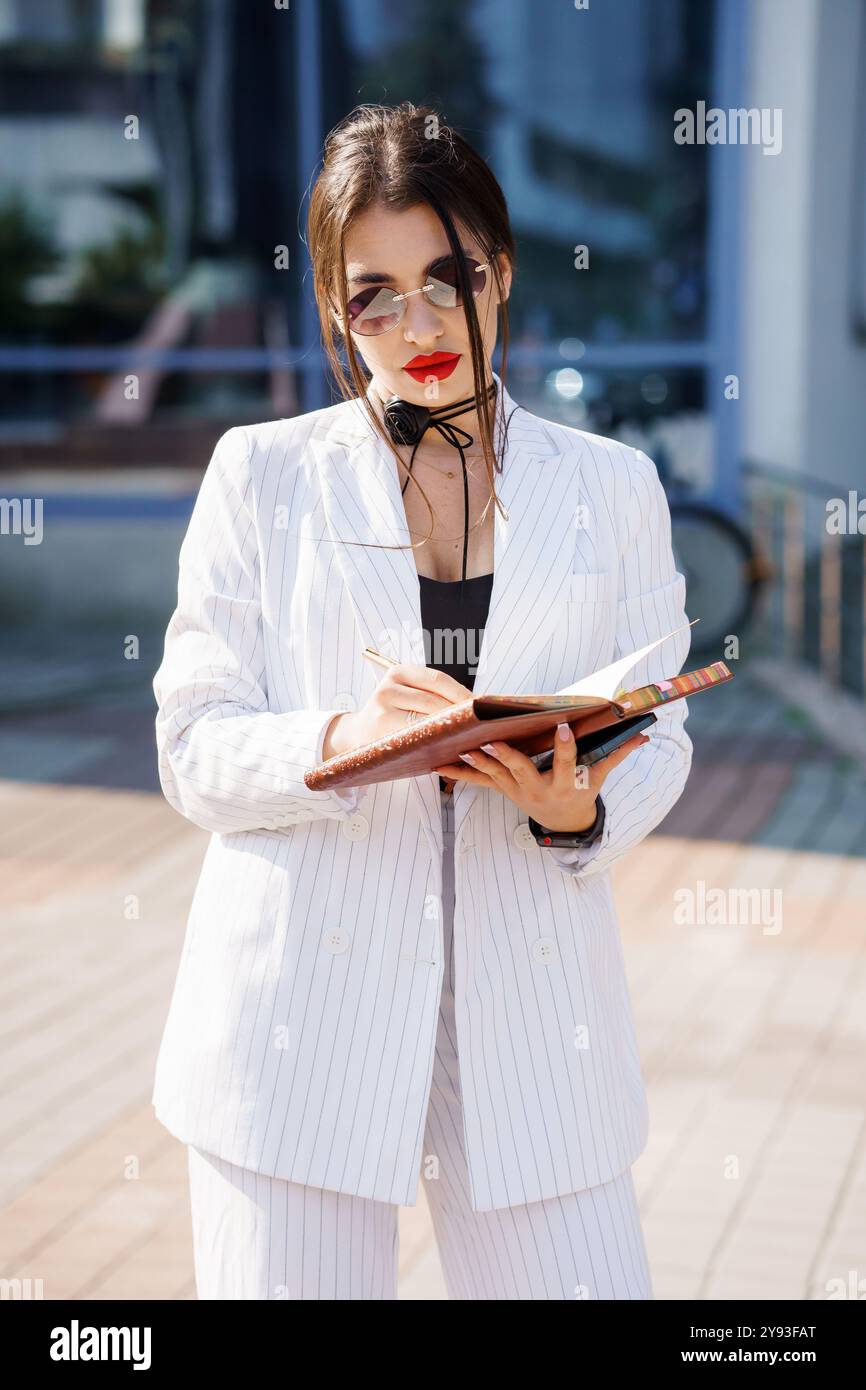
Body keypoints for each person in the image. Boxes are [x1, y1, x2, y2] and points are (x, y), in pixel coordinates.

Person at [151, 101, 693, 1300]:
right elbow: (192, 744)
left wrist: (575, 811)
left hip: (535, 1036)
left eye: (446, 279)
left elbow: (660, 730)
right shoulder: (262, 474)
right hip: (297, 1034)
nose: (416, 323)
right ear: (337, 311)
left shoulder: (611, 488)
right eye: (373, 294)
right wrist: (346, 741)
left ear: (498, 273)